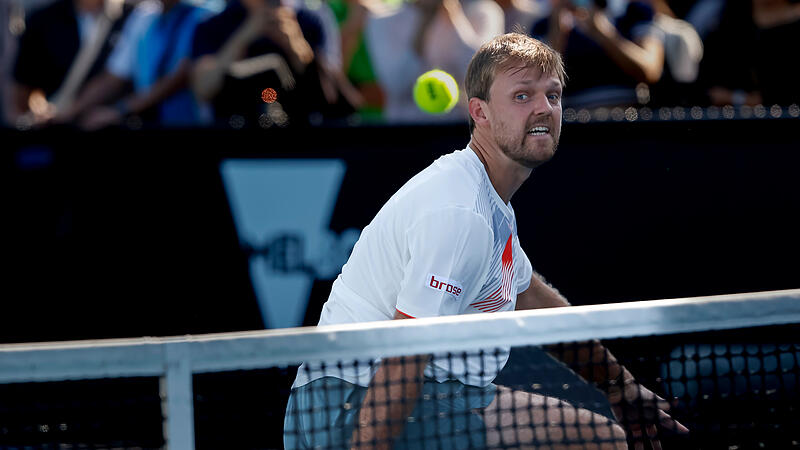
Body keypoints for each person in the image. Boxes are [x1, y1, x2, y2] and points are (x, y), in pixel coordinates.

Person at [283, 32, 689, 449]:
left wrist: (619, 387)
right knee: (599, 441)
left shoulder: (491, 205)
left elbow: (532, 299)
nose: (543, 108)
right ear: (480, 112)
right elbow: (406, 351)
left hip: (415, 397)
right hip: (351, 403)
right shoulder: (461, 213)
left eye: (553, 95)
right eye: (521, 96)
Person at [55, 0, 212, 129]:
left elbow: (180, 76)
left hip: (195, 126)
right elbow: (113, 78)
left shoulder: (204, 15)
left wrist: (121, 110)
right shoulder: (143, 18)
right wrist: (68, 112)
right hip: (149, 123)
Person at [5, 0, 129, 127]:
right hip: (56, 129)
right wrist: (39, 113)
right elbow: (22, 92)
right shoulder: (43, 20)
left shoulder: (132, 16)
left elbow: (114, 80)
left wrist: (70, 111)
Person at [531, 0, 665, 109]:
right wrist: (557, 35)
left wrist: (604, 34)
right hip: (576, 130)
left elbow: (651, 71)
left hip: (632, 125)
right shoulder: (543, 25)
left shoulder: (635, 11)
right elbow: (537, 83)